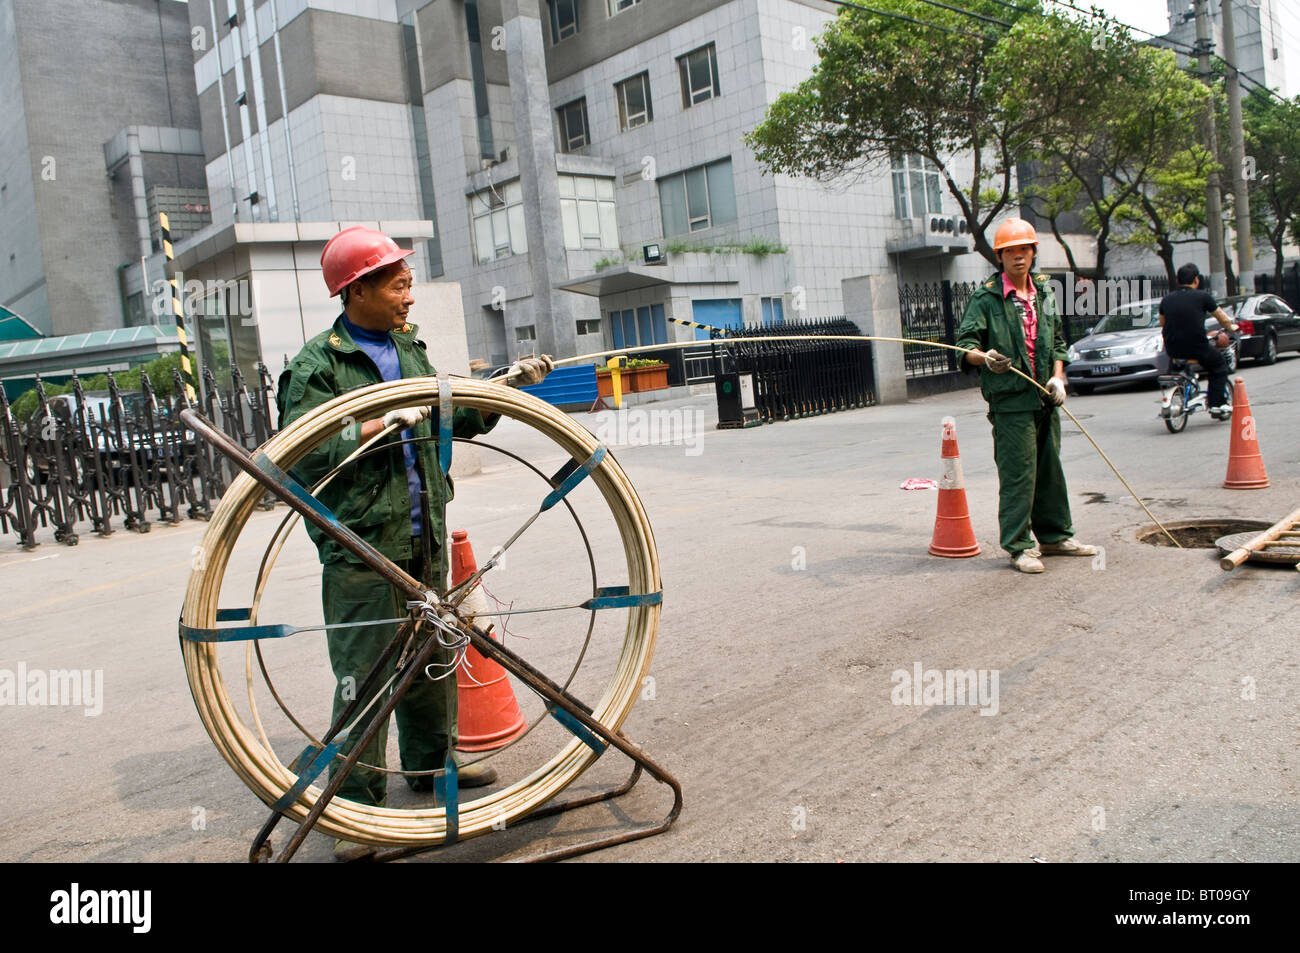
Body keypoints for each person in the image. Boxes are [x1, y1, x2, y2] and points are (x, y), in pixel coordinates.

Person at [276, 226, 552, 859]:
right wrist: (379, 420)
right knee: (365, 676)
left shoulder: (412, 350)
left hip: (423, 534)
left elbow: (458, 413)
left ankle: (429, 767)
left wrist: (505, 388)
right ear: (358, 289)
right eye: (398, 285)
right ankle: (358, 808)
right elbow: (306, 452)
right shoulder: (318, 367)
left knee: (432, 655)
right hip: (361, 546)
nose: (408, 297)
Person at [955, 217, 1096, 574]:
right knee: (1019, 473)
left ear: (1033, 253)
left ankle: (1054, 536)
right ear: (1000, 257)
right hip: (1010, 402)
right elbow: (965, 345)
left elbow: (1059, 343)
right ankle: (1019, 546)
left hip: (1045, 398)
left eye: (1024, 250)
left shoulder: (1045, 293)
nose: (1018, 257)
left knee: (1050, 469)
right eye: (1010, 252)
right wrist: (984, 357)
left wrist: (1058, 378)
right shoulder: (986, 297)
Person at [1159, 264, 1238, 420]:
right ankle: (1217, 404)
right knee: (1218, 366)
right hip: (1196, 346)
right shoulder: (1203, 297)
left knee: (1177, 367)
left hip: (1172, 347)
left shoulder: (1166, 300)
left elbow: (1163, 323)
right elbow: (1221, 317)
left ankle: (1181, 389)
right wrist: (1231, 326)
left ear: (1178, 280)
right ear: (1196, 280)